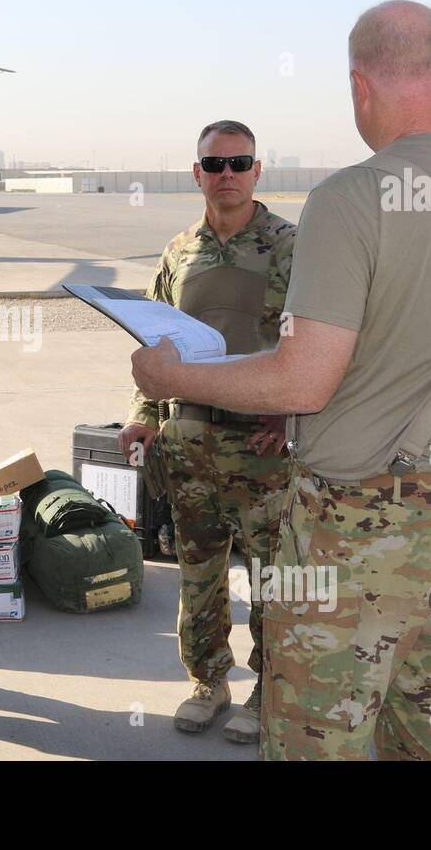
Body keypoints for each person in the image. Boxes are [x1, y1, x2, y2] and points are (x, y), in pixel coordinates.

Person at [131, 0, 431, 759]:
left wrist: (174, 372)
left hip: (349, 529)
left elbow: (304, 381)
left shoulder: (348, 199)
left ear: (361, 88)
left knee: (318, 737)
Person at [120, 119, 295, 744]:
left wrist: (291, 414)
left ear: (257, 170)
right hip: (190, 443)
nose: (227, 175)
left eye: (239, 163)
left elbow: (320, 345)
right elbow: (154, 341)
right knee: (197, 574)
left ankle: (269, 690)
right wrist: (143, 415)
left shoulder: (289, 246)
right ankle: (207, 681)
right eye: (214, 164)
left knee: (274, 580)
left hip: (261, 448)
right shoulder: (179, 251)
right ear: (196, 172)